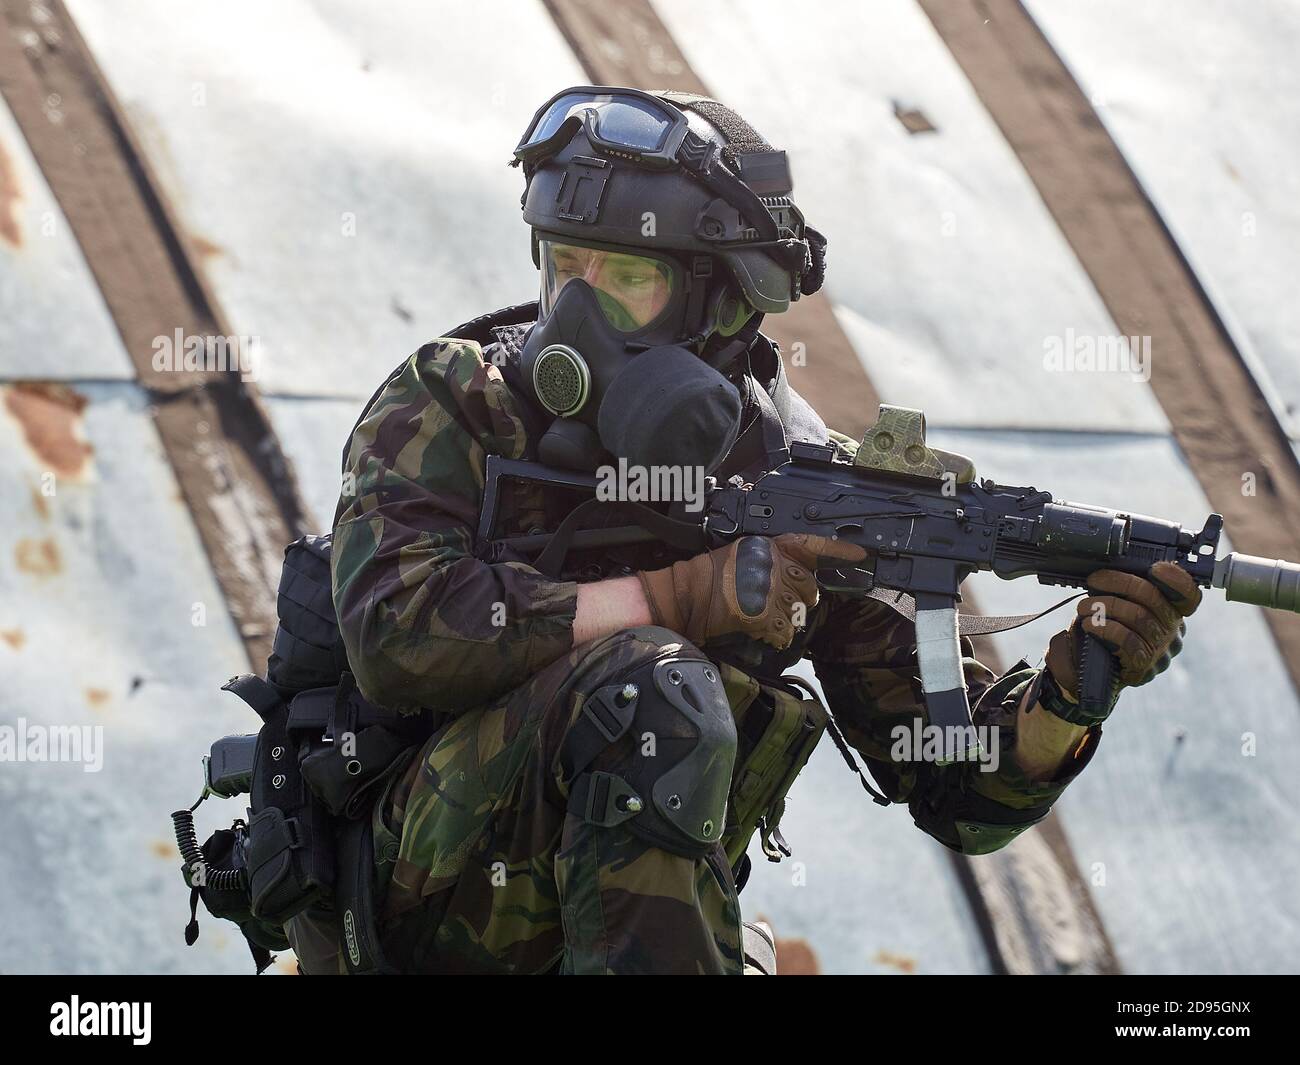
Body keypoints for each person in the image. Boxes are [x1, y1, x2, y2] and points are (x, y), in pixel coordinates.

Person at [319, 86, 1200, 974]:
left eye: (627, 279)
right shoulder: (458, 399)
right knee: (651, 691)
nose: (577, 319)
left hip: (613, 924)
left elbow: (953, 782)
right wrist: (679, 596)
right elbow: (396, 633)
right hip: (419, 901)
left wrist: (1071, 696)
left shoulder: (805, 483)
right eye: (565, 267)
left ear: (726, 304)